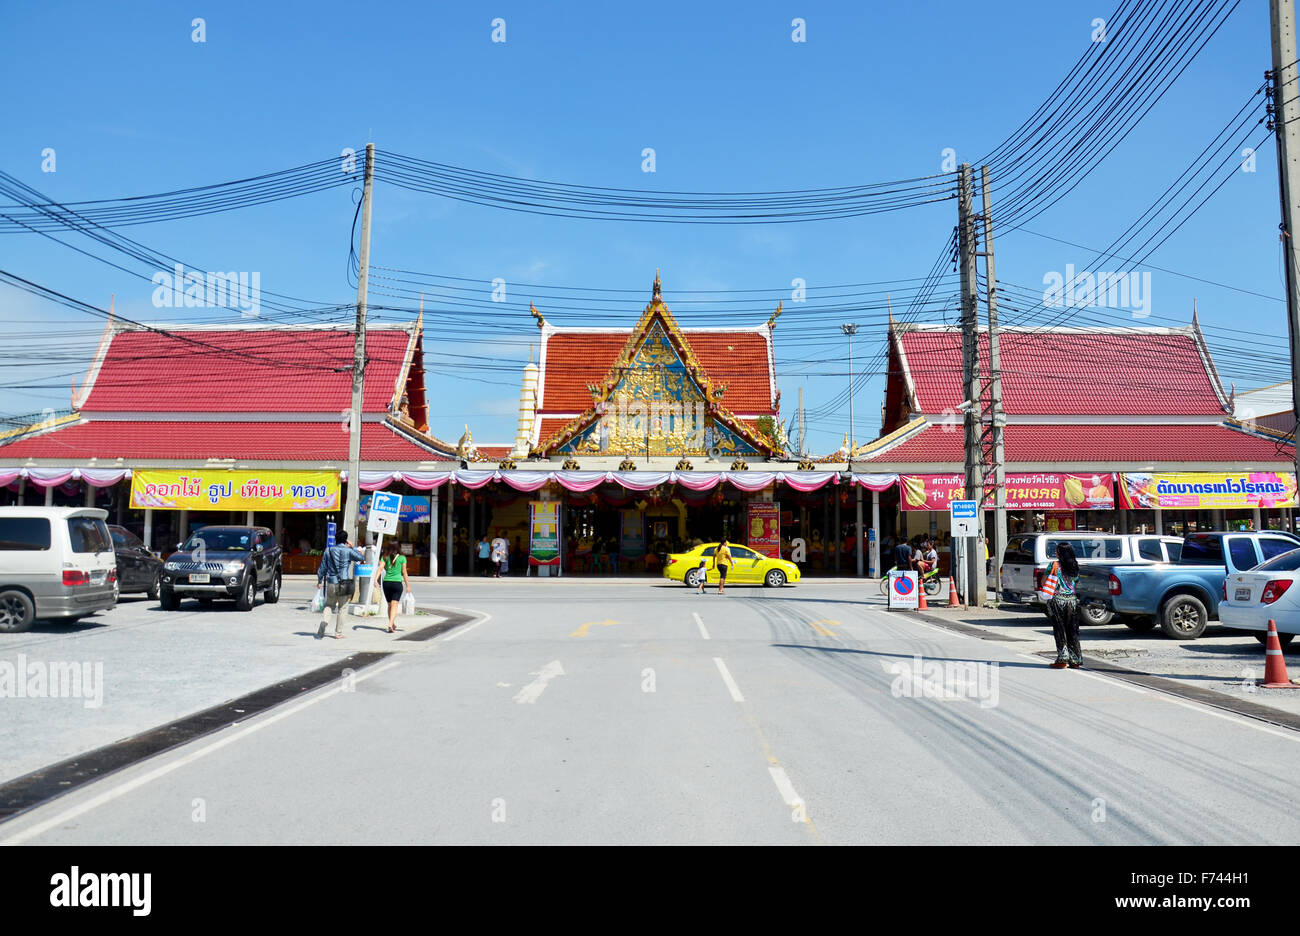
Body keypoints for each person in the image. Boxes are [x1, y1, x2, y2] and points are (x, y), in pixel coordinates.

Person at [316, 532, 365, 640]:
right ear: (346, 540)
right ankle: (338, 633)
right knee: (343, 607)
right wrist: (353, 547)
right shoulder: (348, 551)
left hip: (331, 582)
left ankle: (323, 624)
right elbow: (360, 557)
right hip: (344, 583)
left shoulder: (328, 550)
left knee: (329, 605)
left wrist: (319, 580)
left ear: (335, 539)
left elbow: (323, 567)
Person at [1046, 543, 1083, 669]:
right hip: (1072, 600)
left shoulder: (1054, 565)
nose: (1055, 553)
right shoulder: (1074, 565)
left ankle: (1062, 659)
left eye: (1056, 551)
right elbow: (1076, 582)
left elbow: (1045, 580)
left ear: (1060, 553)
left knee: (1060, 629)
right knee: (1073, 630)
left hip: (1057, 600)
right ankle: (1075, 659)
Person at [377, 539, 410, 634]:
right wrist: (408, 585)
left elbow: (380, 568)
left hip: (386, 583)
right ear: (398, 547)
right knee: (394, 605)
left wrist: (375, 579)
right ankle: (390, 625)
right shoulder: (402, 558)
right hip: (397, 583)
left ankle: (392, 623)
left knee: (389, 605)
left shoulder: (385, 557)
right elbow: (404, 572)